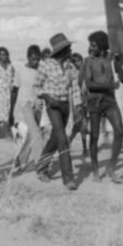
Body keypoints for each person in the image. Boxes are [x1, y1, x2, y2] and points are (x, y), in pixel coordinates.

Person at [34, 33, 81, 190]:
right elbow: (36, 87)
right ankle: (68, 178)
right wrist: (47, 97)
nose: (71, 49)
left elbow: (75, 87)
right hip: (52, 106)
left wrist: (77, 107)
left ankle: (41, 167)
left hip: (65, 105)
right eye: (69, 48)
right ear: (62, 50)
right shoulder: (46, 65)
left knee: (55, 138)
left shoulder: (70, 66)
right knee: (62, 139)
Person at [81, 31, 123, 182]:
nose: (90, 47)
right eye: (90, 45)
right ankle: (95, 170)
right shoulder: (88, 61)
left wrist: (118, 63)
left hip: (110, 101)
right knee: (94, 136)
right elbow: (89, 84)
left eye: (93, 44)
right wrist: (109, 85)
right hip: (94, 101)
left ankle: (111, 168)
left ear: (101, 45)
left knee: (119, 131)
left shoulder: (112, 61)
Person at [13, 45, 43, 173]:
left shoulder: (41, 71)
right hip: (25, 105)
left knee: (34, 134)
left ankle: (21, 159)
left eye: (38, 59)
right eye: (33, 59)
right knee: (34, 134)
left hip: (38, 105)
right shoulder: (20, 70)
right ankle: (39, 163)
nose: (36, 62)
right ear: (28, 58)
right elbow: (15, 89)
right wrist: (11, 111)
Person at [0, 46, 16, 138]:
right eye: (1, 54)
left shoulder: (10, 67)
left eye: (5, 54)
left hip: (8, 94)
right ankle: (5, 132)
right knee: (0, 113)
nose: (4, 56)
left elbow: (14, 79)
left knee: (8, 112)